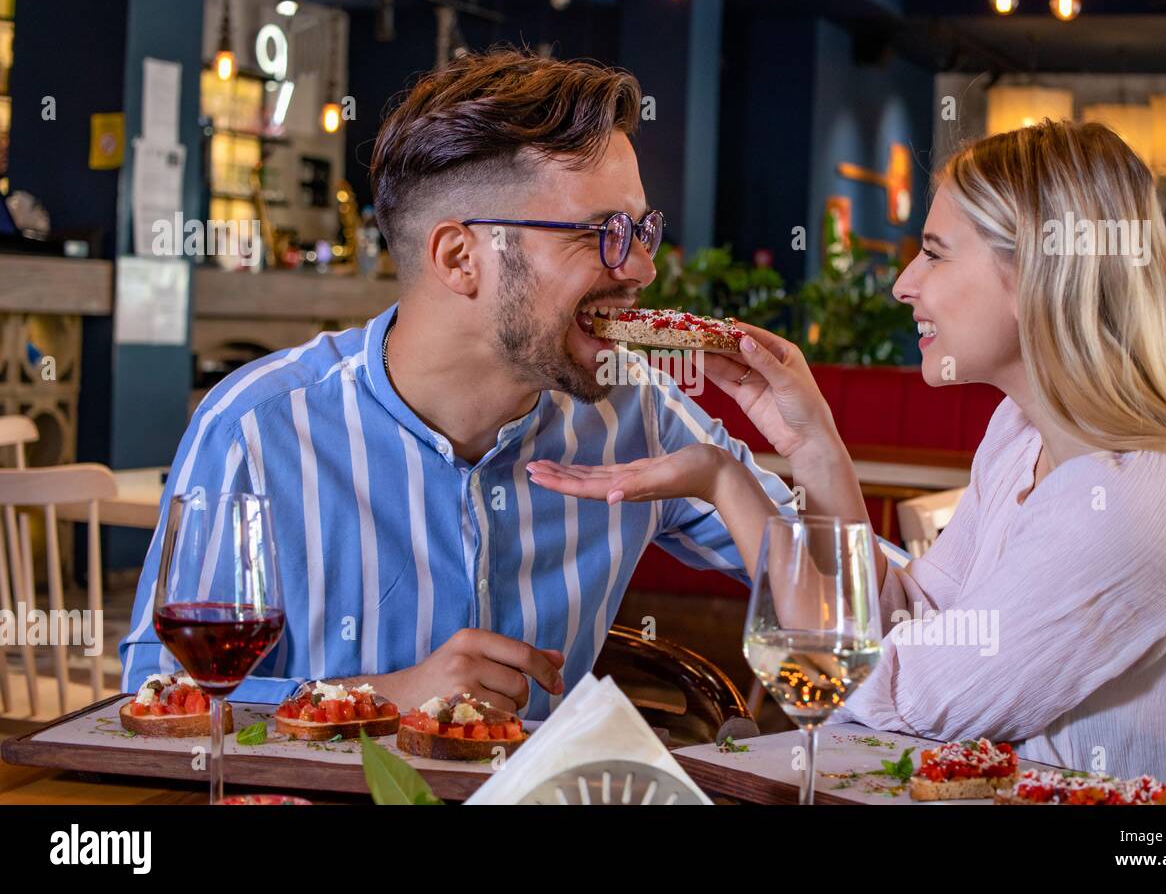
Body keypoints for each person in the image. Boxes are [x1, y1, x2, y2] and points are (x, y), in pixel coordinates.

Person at [529, 120, 1166, 802]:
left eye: (933, 253)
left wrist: (726, 482)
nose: (905, 284)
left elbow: (885, 687)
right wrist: (817, 449)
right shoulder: (1022, 436)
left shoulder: (1140, 499)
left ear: (1037, 273)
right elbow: (905, 623)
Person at [120, 49, 828, 719]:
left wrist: (810, 446)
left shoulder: (638, 413)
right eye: (601, 233)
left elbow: (855, 631)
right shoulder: (258, 428)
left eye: (641, 230)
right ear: (461, 258)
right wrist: (379, 699)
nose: (641, 267)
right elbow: (154, 705)